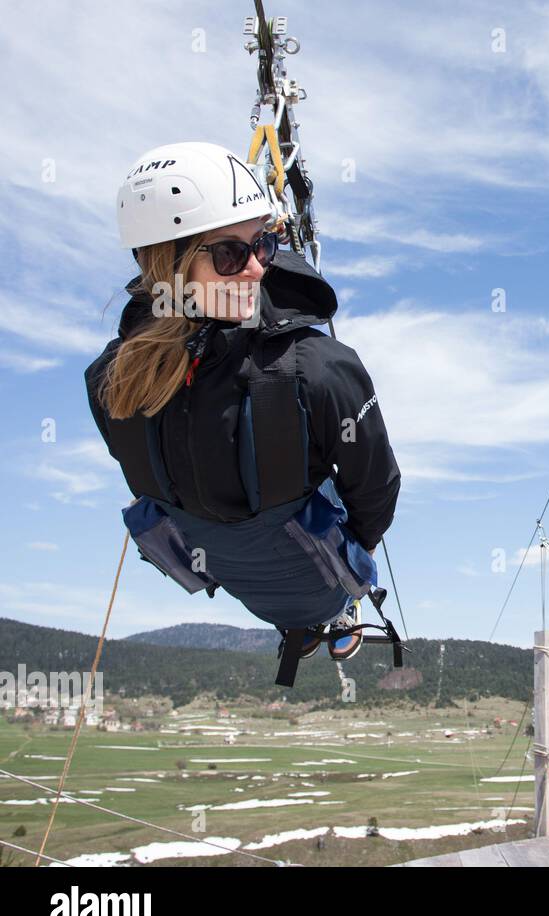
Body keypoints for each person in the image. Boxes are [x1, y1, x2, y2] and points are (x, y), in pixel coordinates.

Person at [85, 142, 401, 684]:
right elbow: (376, 489)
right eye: (231, 255)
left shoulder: (109, 380)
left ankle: (306, 615)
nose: (256, 269)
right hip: (317, 578)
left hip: (225, 569)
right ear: (170, 264)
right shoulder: (318, 367)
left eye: (265, 243)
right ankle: (336, 611)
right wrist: (354, 559)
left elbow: (147, 479)